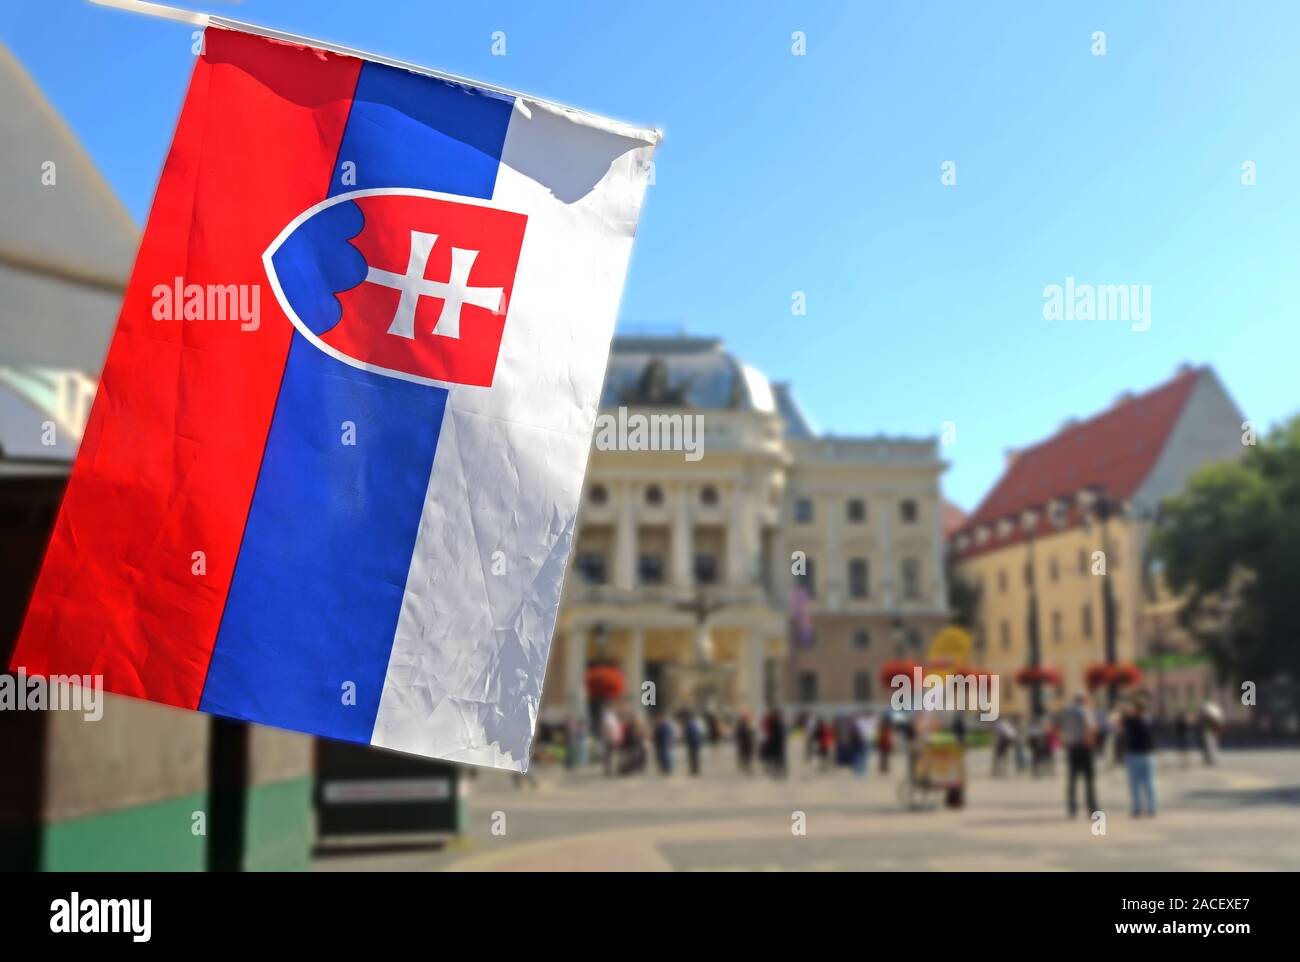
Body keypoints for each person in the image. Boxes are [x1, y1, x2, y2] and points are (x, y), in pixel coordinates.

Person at [1056, 693, 1099, 818]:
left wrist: (1063, 739)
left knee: (1072, 779)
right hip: (1084, 748)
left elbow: (1054, 727)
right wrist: (1089, 741)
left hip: (1072, 747)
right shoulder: (1084, 711)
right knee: (1089, 779)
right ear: (1084, 700)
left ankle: (1072, 809)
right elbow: (1091, 728)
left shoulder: (1064, 712)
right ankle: (1092, 807)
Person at [1121, 693, 1159, 816]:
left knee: (1135, 784)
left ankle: (1137, 808)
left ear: (1136, 709)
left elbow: (1119, 719)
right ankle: (1152, 808)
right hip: (1148, 754)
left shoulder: (1131, 720)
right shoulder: (1150, 720)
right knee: (1150, 783)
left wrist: (1124, 708)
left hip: (1134, 754)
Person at [852, 712, 874, 777]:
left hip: (860, 742)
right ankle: (861, 771)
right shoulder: (864, 723)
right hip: (862, 742)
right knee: (862, 757)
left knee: (859, 757)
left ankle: (859, 771)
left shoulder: (858, 723)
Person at [684, 711, 705, 776]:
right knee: (695, 757)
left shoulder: (690, 724)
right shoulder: (696, 723)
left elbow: (689, 734)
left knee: (693, 757)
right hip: (696, 742)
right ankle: (695, 769)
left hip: (692, 743)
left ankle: (694, 770)